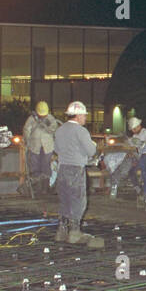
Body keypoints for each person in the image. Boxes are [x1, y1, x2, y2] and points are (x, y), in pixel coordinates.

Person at [51, 101, 104, 246]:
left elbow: (56, 148)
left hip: (62, 169)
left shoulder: (60, 130)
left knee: (65, 199)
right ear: (79, 115)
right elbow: (91, 151)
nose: (85, 118)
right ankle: (74, 232)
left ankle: (61, 231)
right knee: (78, 200)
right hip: (76, 169)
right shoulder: (81, 131)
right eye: (84, 115)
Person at [21, 101, 58, 199]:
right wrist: (26, 141)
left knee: (45, 167)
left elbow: (54, 129)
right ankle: (36, 189)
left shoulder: (50, 118)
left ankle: (45, 189)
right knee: (34, 167)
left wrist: (45, 125)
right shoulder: (31, 119)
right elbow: (26, 130)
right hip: (34, 147)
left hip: (47, 147)